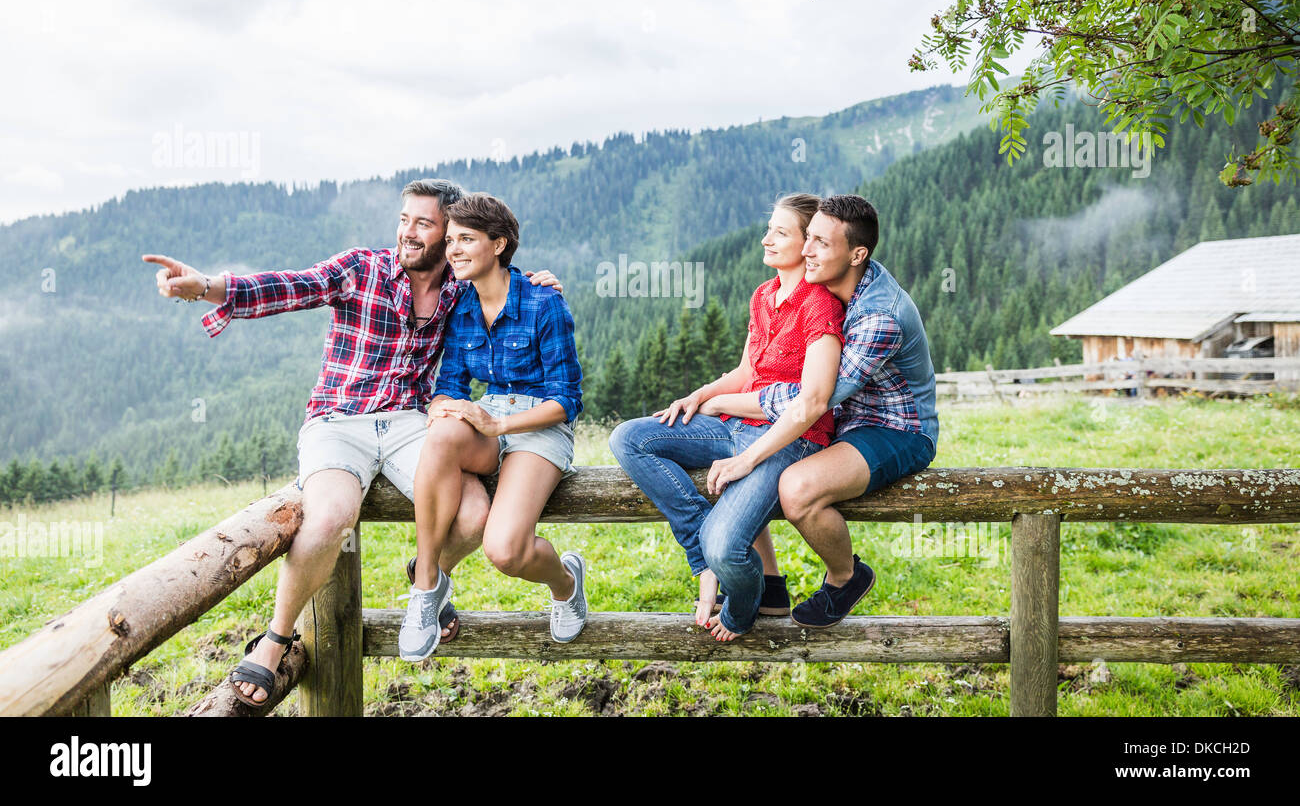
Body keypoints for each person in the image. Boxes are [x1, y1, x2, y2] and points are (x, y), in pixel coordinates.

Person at [143, 179, 565, 707]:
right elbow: (290, 286)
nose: (408, 233)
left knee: (474, 516)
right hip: (339, 421)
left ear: (449, 236)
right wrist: (206, 285)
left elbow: (500, 280)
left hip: (411, 422)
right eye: (404, 220)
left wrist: (541, 283)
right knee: (326, 521)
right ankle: (276, 638)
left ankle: (427, 579)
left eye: (425, 225)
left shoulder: (458, 285)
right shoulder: (361, 268)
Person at [609, 194, 844, 641]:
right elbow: (747, 372)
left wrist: (747, 455)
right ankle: (704, 559)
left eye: (780, 232)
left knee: (726, 546)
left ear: (808, 244)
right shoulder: (765, 294)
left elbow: (812, 401)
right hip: (733, 425)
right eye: (768, 228)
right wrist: (696, 397)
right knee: (630, 438)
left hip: (790, 439)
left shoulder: (821, 305)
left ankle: (741, 607)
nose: (766, 239)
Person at [722, 195, 938, 628]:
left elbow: (813, 398)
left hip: (894, 428)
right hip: (840, 419)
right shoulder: (828, 287)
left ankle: (846, 576)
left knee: (796, 487)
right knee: (740, 451)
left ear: (857, 254)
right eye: (809, 238)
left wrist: (732, 412)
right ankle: (768, 584)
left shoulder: (880, 317)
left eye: (820, 242)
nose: (806, 250)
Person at [398, 193, 586, 660]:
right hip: (489, 416)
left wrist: (498, 423)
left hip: (538, 426)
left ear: (498, 244)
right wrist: (445, 406)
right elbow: (450, 383)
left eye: (467, 239)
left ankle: (566, 583)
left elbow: (567, 400)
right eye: (452, 240)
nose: (454, 249)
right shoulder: (460, 306)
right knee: (441, 432)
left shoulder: (545, 304)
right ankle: (426, 589)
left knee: (506, 551)